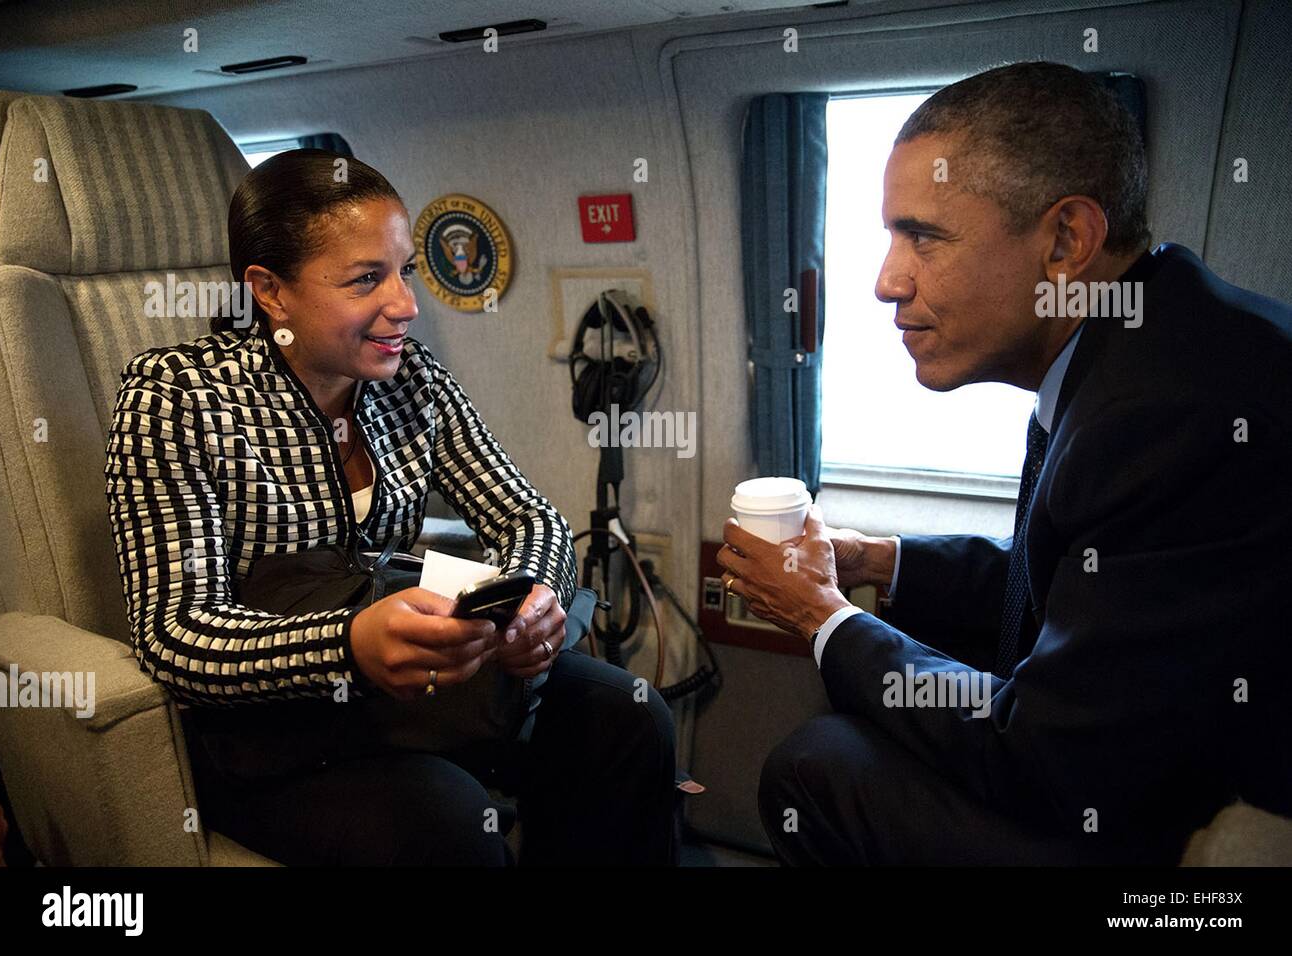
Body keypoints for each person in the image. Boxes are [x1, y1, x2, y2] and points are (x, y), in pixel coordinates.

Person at [722, 62, 1292, 864]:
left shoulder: (1170, 416)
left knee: (817, 766)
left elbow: (1054, 765)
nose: (887, 281)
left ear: (1065, 240)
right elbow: (1088, 585)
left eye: (923, 236)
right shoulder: (1151, 339)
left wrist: (824, 615)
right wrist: (875, 561)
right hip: (1164, 760)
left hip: (1202, 825)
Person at [104, 149, 676, 866]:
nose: (405, 304)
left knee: (631, 719)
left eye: (404, 270)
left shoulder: (414, 384)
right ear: (270, 292)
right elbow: (174, 635)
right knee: (449, 822)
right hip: (270, 730)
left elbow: (529, 517)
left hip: (409, 699)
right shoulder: (176, 399)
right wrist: (347, 645)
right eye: (366, 279)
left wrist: (530, 601)